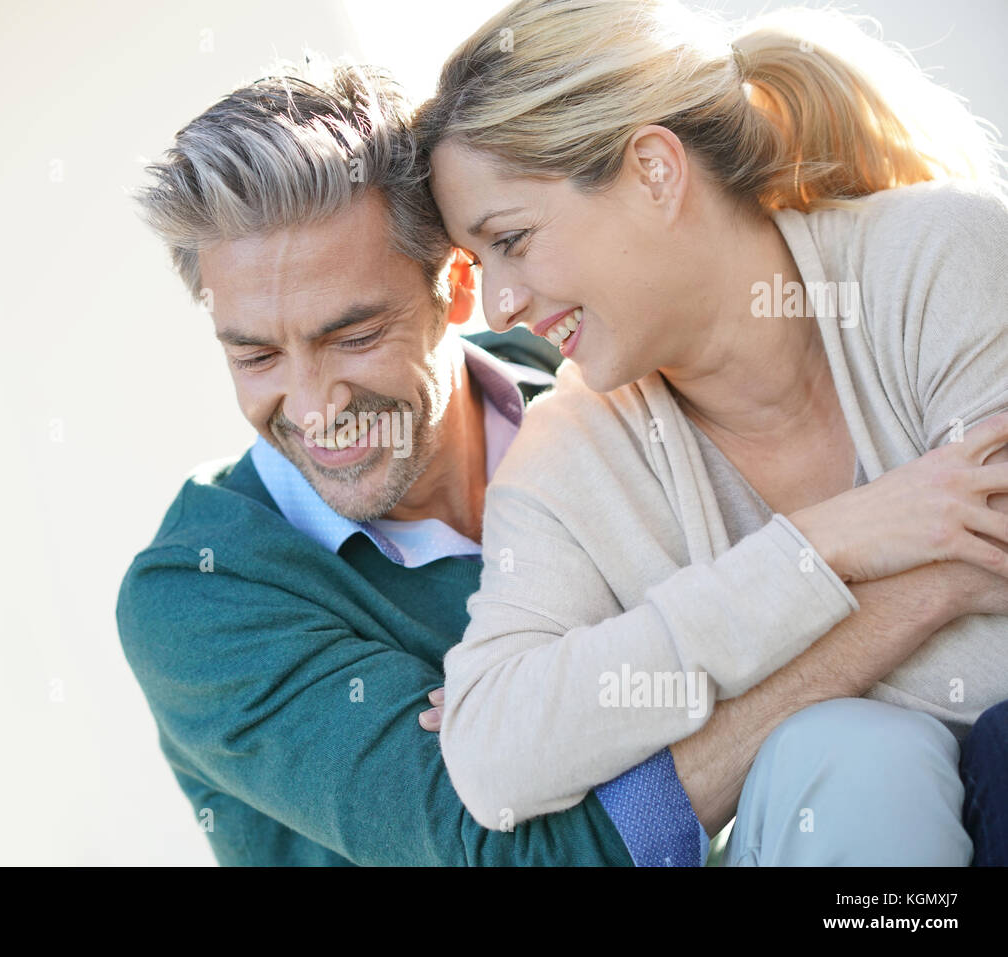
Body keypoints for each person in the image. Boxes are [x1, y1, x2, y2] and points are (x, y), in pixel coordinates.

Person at [118, 56, 996, 867]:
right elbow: (501, 850)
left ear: (455, 285)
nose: (312, 407)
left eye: (354, 335)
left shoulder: (599, 386)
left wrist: (590, 712)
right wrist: (935, 581)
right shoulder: (202, 591)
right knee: (848, 746)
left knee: (892, 760)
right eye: (256, 357)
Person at [413, 0, 1008, 864]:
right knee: (847, 753)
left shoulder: (931, 261)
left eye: (514, 240)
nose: (499, 305)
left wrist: (696, 700)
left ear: (654, 170)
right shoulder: (567, 454)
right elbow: (497, 753)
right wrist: (845, 545)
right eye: (479, 264)